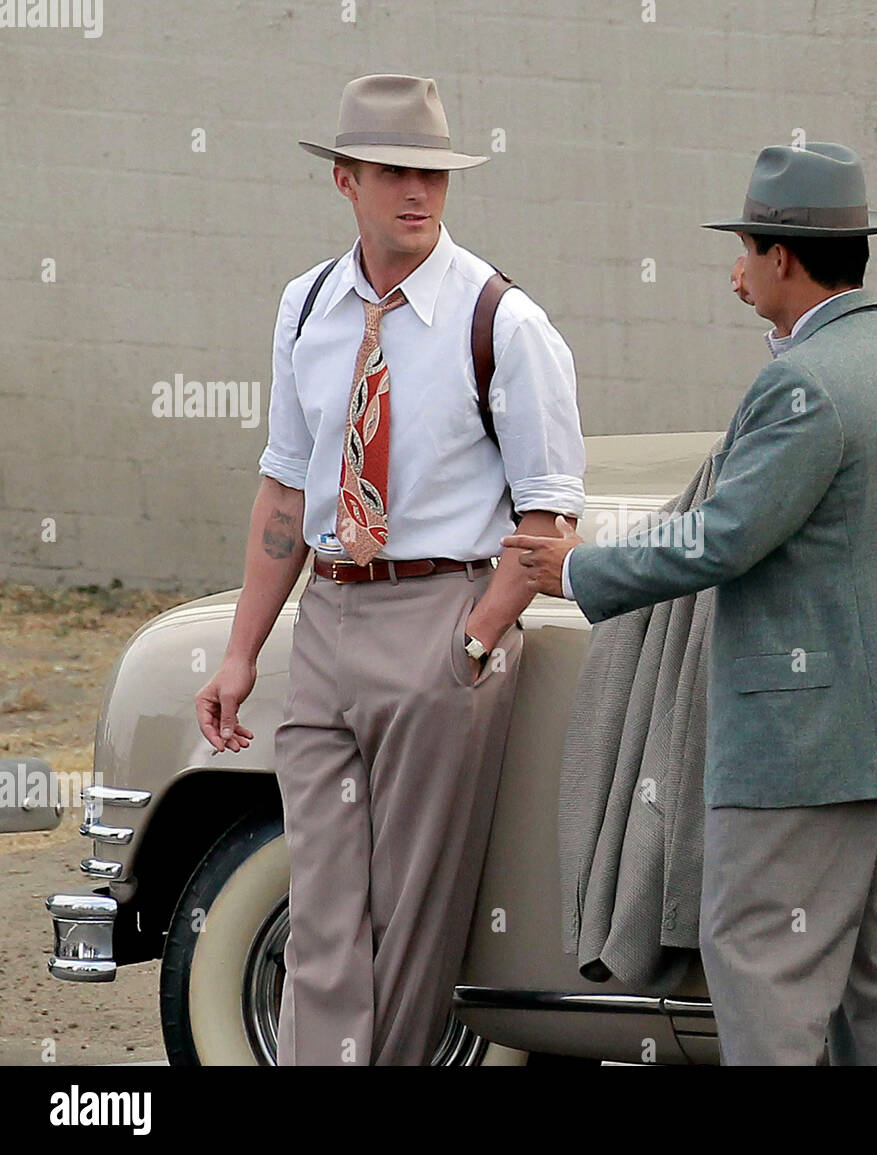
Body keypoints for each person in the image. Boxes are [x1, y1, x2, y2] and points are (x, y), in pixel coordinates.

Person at [505, 142, 877, 1065]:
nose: (736, 272)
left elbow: (722, 536)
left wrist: (578, 569)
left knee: (766, 988)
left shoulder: (803, 383)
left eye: (744, 250)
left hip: (799, 753)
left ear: (781, 256)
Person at [194, 73, 585, 1065]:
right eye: (394, 173)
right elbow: (285, 492)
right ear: (346, 181)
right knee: (323, 906)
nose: (417, 193)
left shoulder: (503, 322)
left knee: (412, 920)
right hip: (330, 618)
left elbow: (547, 519)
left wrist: (470, 640)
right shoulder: (307, 306)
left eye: (434, 175)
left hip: (444, 618)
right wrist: (241, 654)